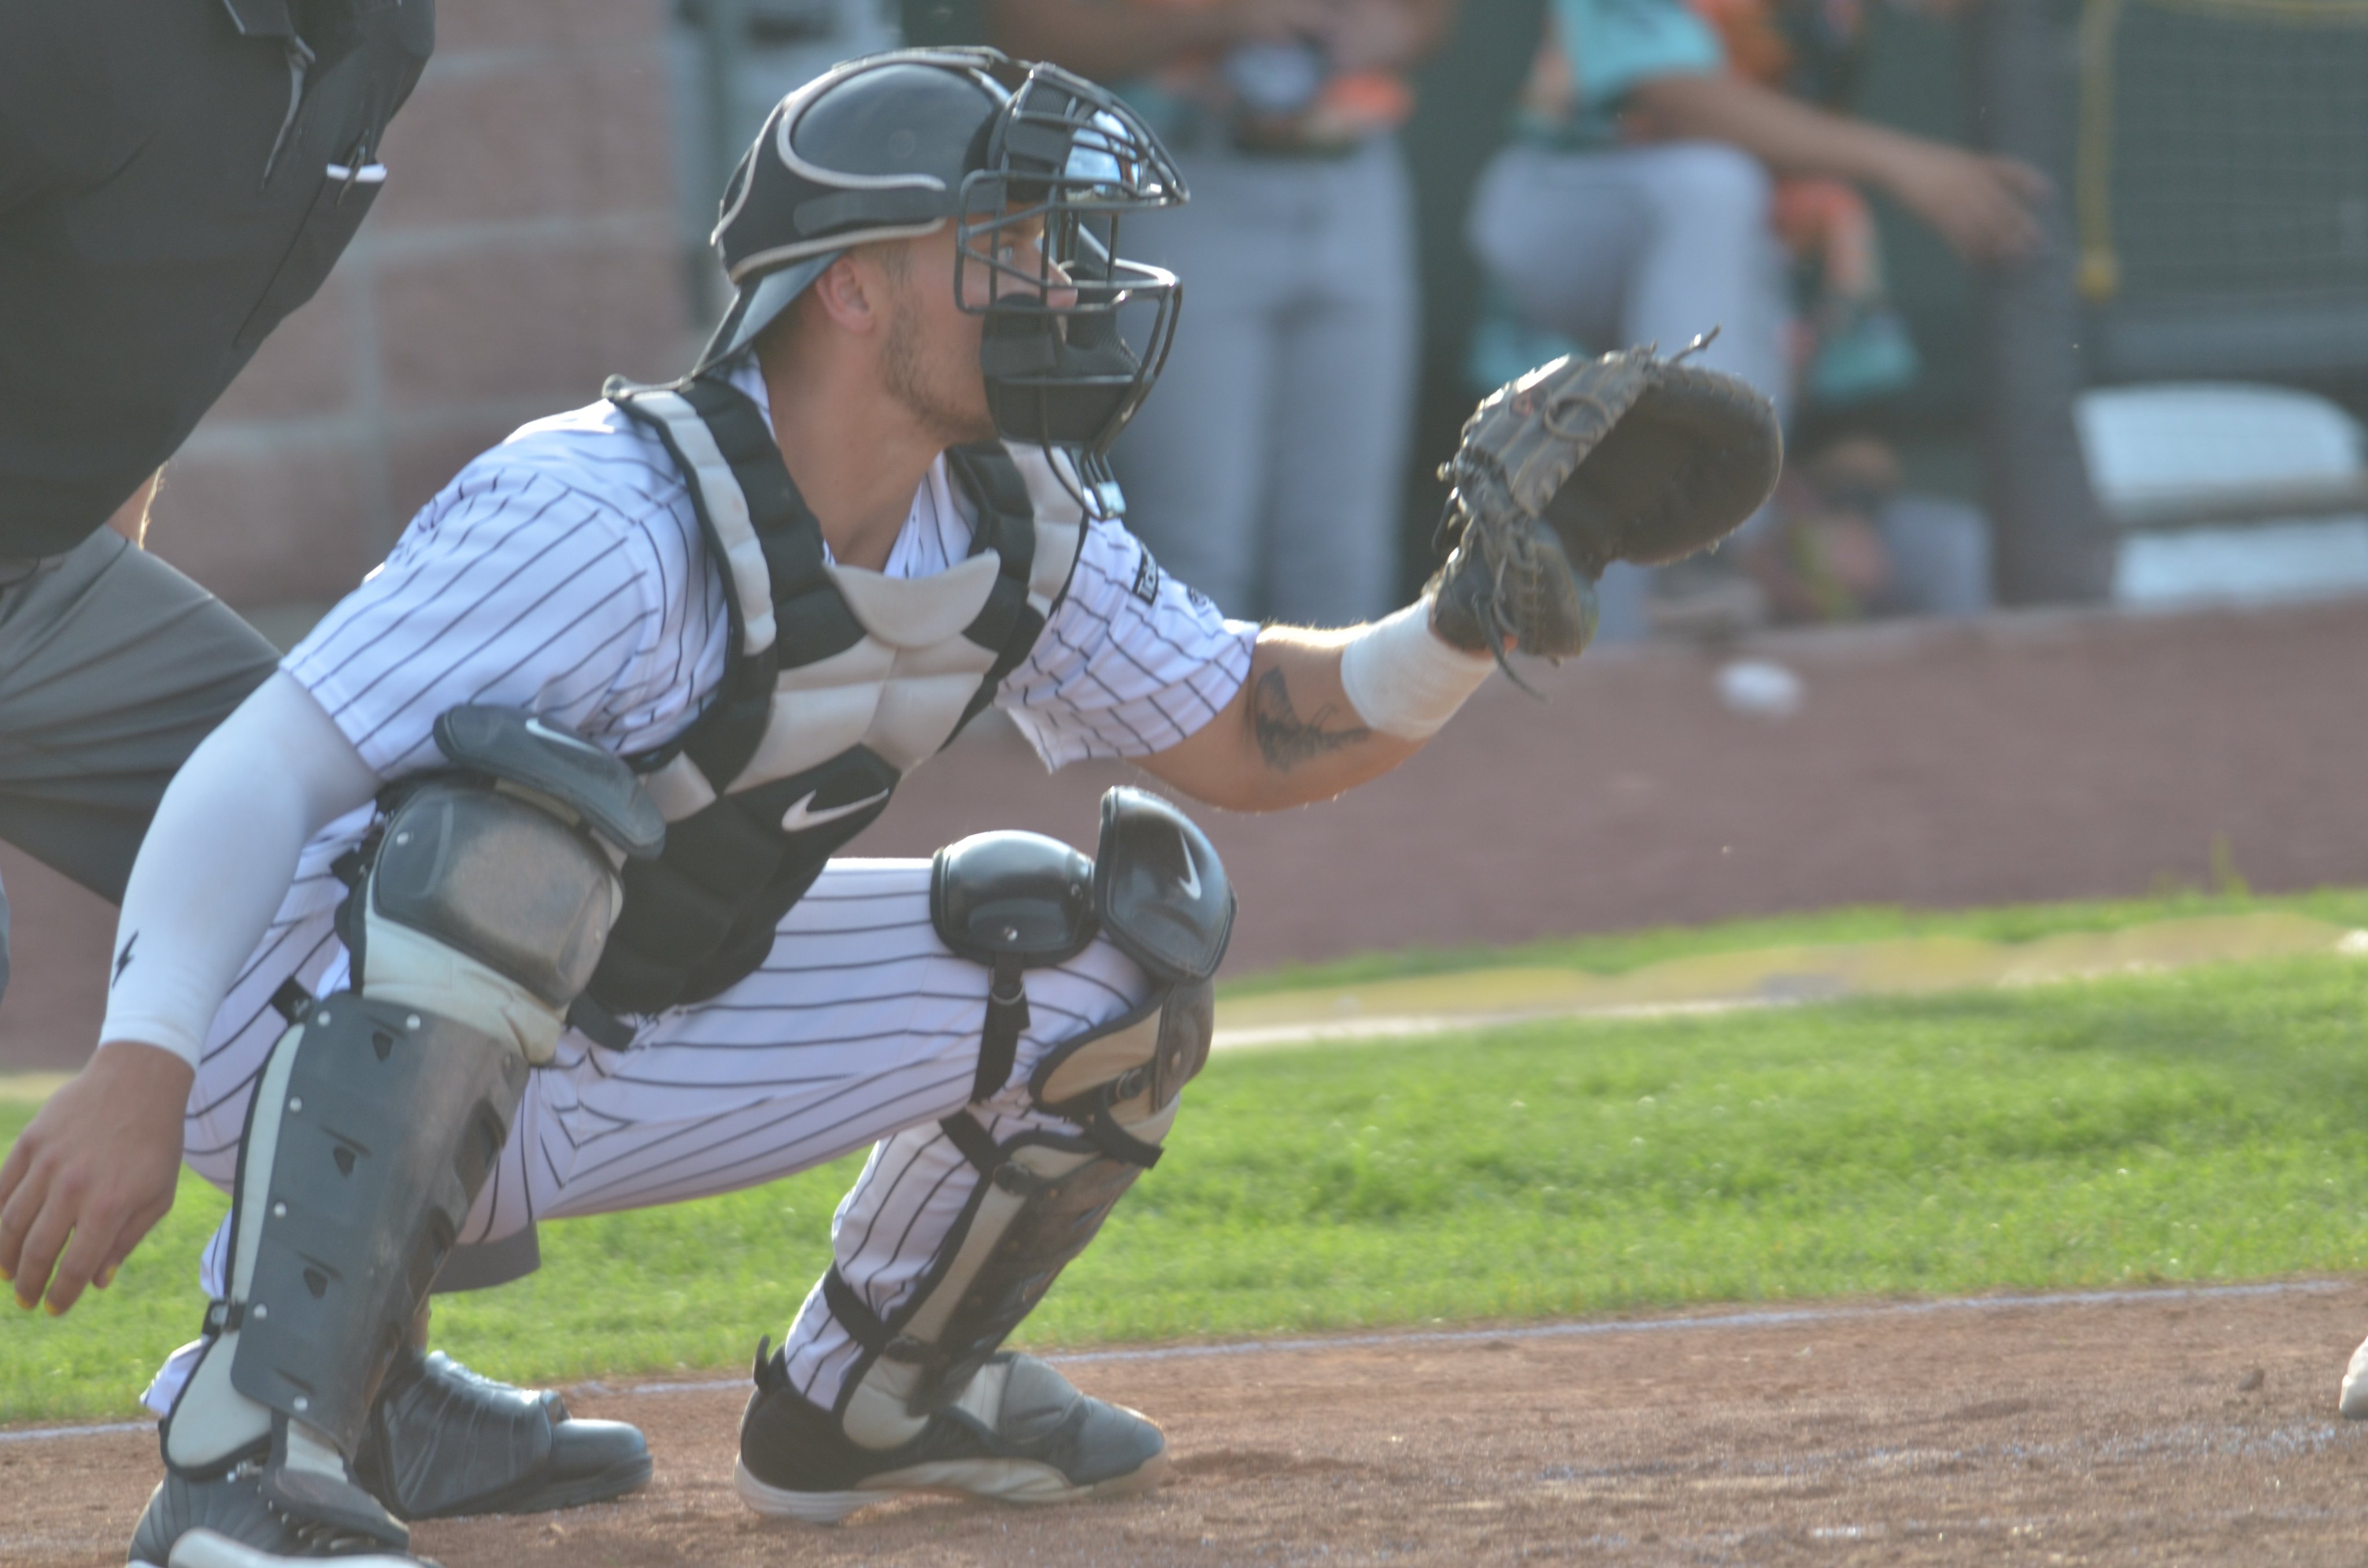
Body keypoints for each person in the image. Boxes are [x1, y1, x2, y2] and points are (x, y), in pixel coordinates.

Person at [0, 50, 1581, 1567]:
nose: (1058, 282)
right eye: (1007, 242)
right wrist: (139, 1067)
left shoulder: (1018, 516)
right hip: (301, 1033)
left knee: (1109, 955)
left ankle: (871, 1399)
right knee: (498, 860)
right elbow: (258, 766)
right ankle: (248, 1468)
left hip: (622, 1012)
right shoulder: (597, 513)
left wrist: (1467, 620)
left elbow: (1250, 730)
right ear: (852, 285)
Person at [0, 0, 653, 1535]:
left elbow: (165, 316)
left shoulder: (378, 40)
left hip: (37, 573)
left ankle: (352, 1384)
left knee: (417, 853)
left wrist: (109, 536)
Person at [1467, 0, 2044, 639]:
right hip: (1563, 217)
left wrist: (1829, 522)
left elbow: (1859, 429)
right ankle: (1700, 534)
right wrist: (1901, 161)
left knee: (1957, 552)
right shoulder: (1722, 179)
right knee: (1712, 185)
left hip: (1750, 514)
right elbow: (1675, 94)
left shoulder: (1819, 214)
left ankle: (1717, 547)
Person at [987, 0, 1461, 627]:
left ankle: (1331, 726)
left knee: (1341, 558)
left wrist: (1383, 30)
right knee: (1195, 551)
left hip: (1353, 169)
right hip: (1180, 173)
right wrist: (1219, 19)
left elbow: (1426, 19)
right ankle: (1197, 725)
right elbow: (1028, 31)